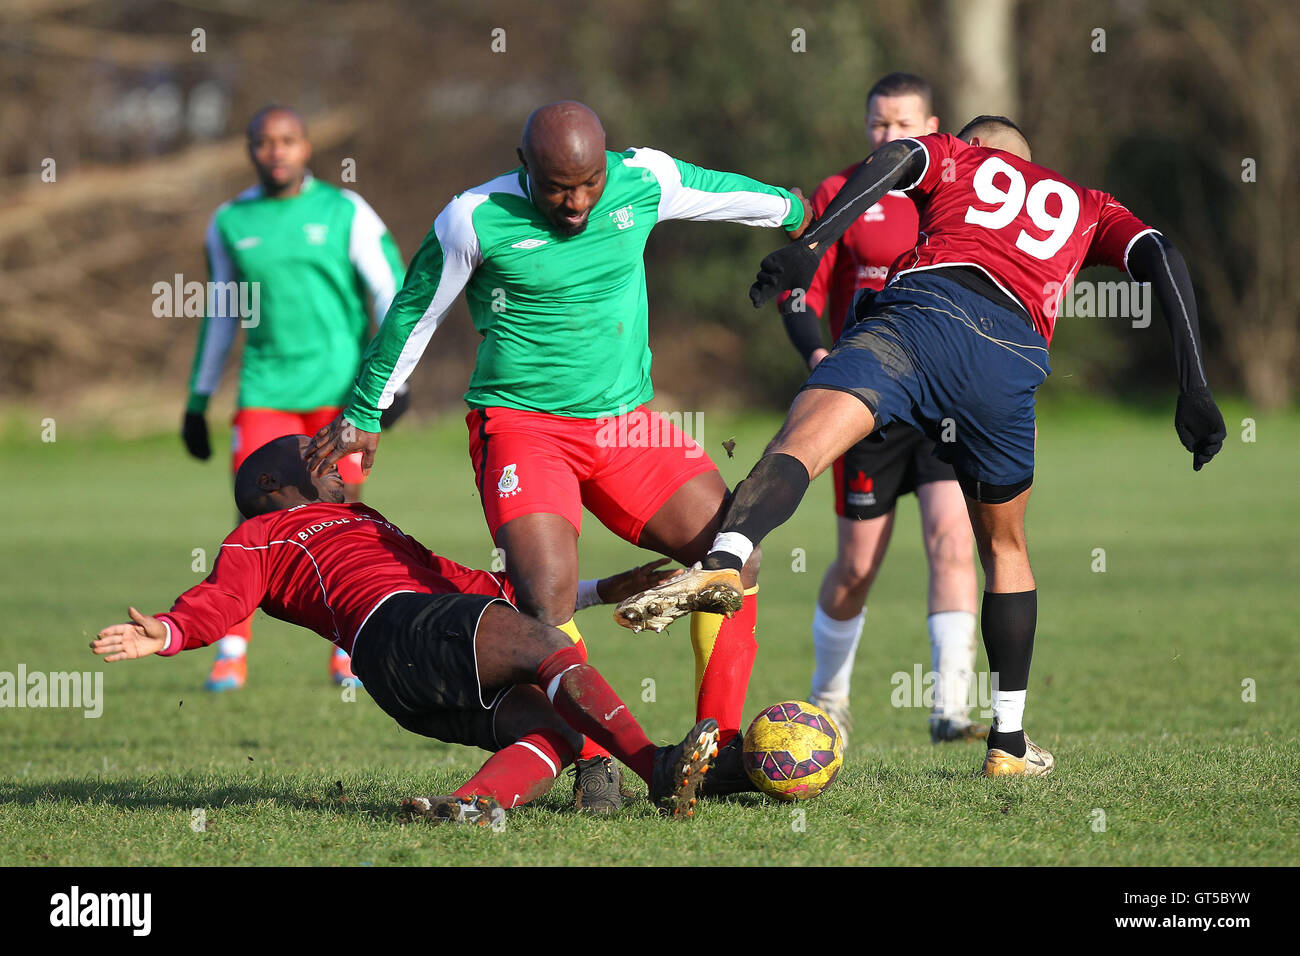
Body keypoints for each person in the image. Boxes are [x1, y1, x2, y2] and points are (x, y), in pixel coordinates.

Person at [614, 116, 1227, 777]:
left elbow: (900, 156)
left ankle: (728, 557)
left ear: (975, 146)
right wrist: (1193, 385)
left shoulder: (957, 158)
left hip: (917, 321)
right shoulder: (1089, 203)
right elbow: (1163, 254)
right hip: (1008, 360)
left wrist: (814, 245)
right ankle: (1009, 744)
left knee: (803, 441)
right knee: (1005, 549)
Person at [304, 101, 810, 809]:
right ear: (524, 169)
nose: (575, 203)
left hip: (627, 425)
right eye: (556, 188)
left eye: (588, 184)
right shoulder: (472, 219)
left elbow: (737, 195)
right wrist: (363, 412)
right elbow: (414, 314)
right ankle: (597, 760)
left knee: (736, 555)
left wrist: (801, 210)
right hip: (522, 428)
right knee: (544, 594)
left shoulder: (645, 180)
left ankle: (716, 749)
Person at [91, 436, 720, 822]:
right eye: (316, 456)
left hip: (401, 678)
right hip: (397, 626)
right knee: (546, 647)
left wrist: (602, 590)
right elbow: (223, 599)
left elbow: (471, 584)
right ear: (270, 483)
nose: (336, 463)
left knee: (554, 733)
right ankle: (655, 766)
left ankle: (473, 805)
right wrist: (170, 632)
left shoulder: (367, 519)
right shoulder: (260, 532)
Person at [778, 73, 982, 748]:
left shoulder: (957, 195)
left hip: (944, 401)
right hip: (866, 404)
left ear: (933, 127)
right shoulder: (839, 193)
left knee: (953, 542)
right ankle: (829, 698)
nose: (887, 138)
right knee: (857, 568)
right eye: (876, 125)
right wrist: (817, 358)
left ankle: (950, 706)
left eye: (901, 126)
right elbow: (795, 290)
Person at [182, 105, 407, 692]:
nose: (275, 151)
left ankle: (349, 646)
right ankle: (230, 647)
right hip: (266, 392)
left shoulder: (344, 211)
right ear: (250, 149)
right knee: (254, 509)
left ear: (306, 147)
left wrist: (392, 385)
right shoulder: (230, 221)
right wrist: (198, 398)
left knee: (342, 511)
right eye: (263, 142)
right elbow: (222, 314)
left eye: (287, 140)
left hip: (340, 394)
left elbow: (389, 291)